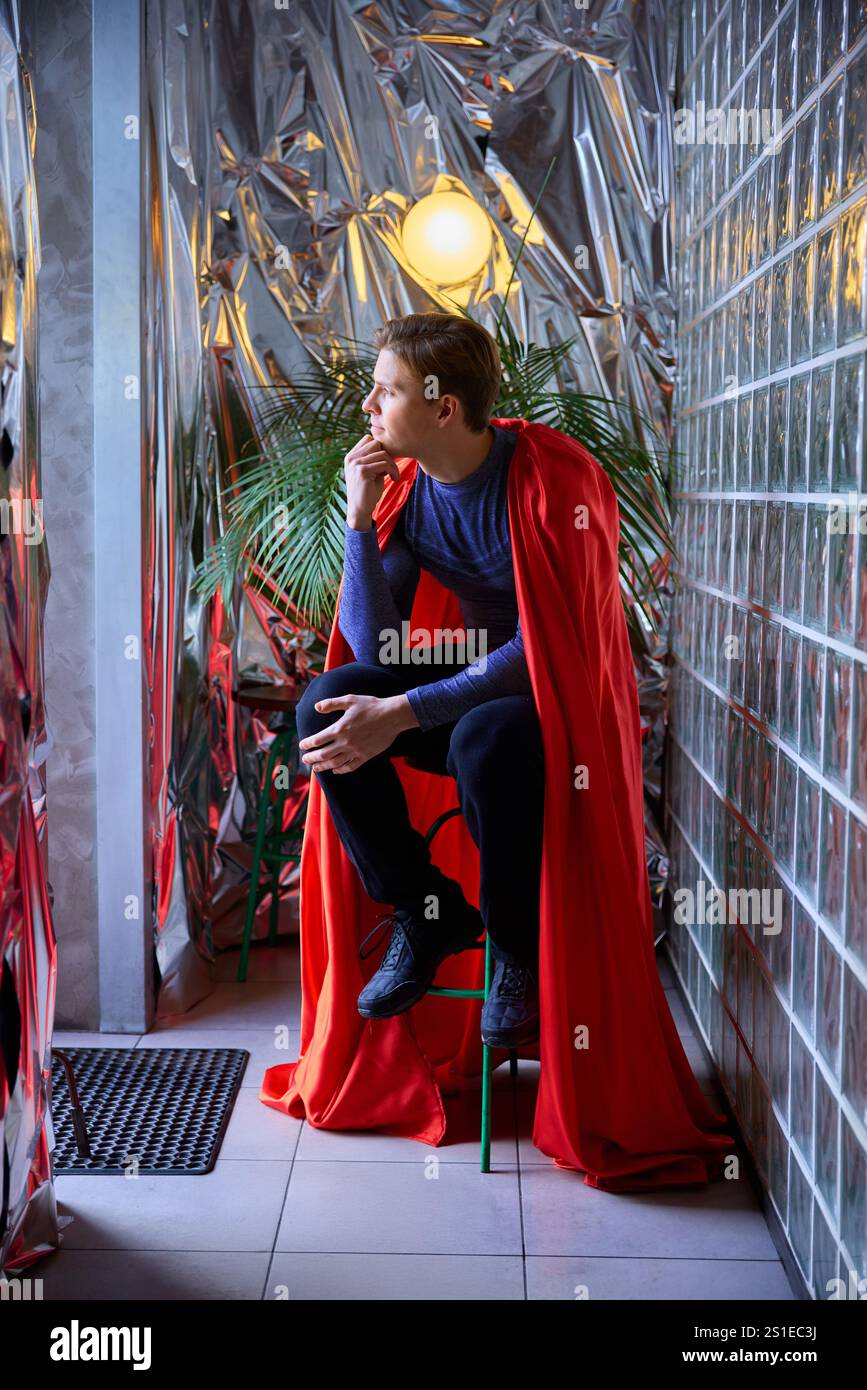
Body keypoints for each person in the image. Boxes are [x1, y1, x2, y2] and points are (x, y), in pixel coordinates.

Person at [294, 312, 544, 1049]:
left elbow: (543, 649)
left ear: (443, 408)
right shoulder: (411, 492)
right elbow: (376, 641)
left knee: (485, 733)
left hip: (542, 711)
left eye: (384, 391)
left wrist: (405, 711)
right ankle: (424, 907)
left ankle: (516, 951)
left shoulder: (535, 479)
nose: (367, 407)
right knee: (325, 702)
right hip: (462, 686)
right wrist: (359, 520)